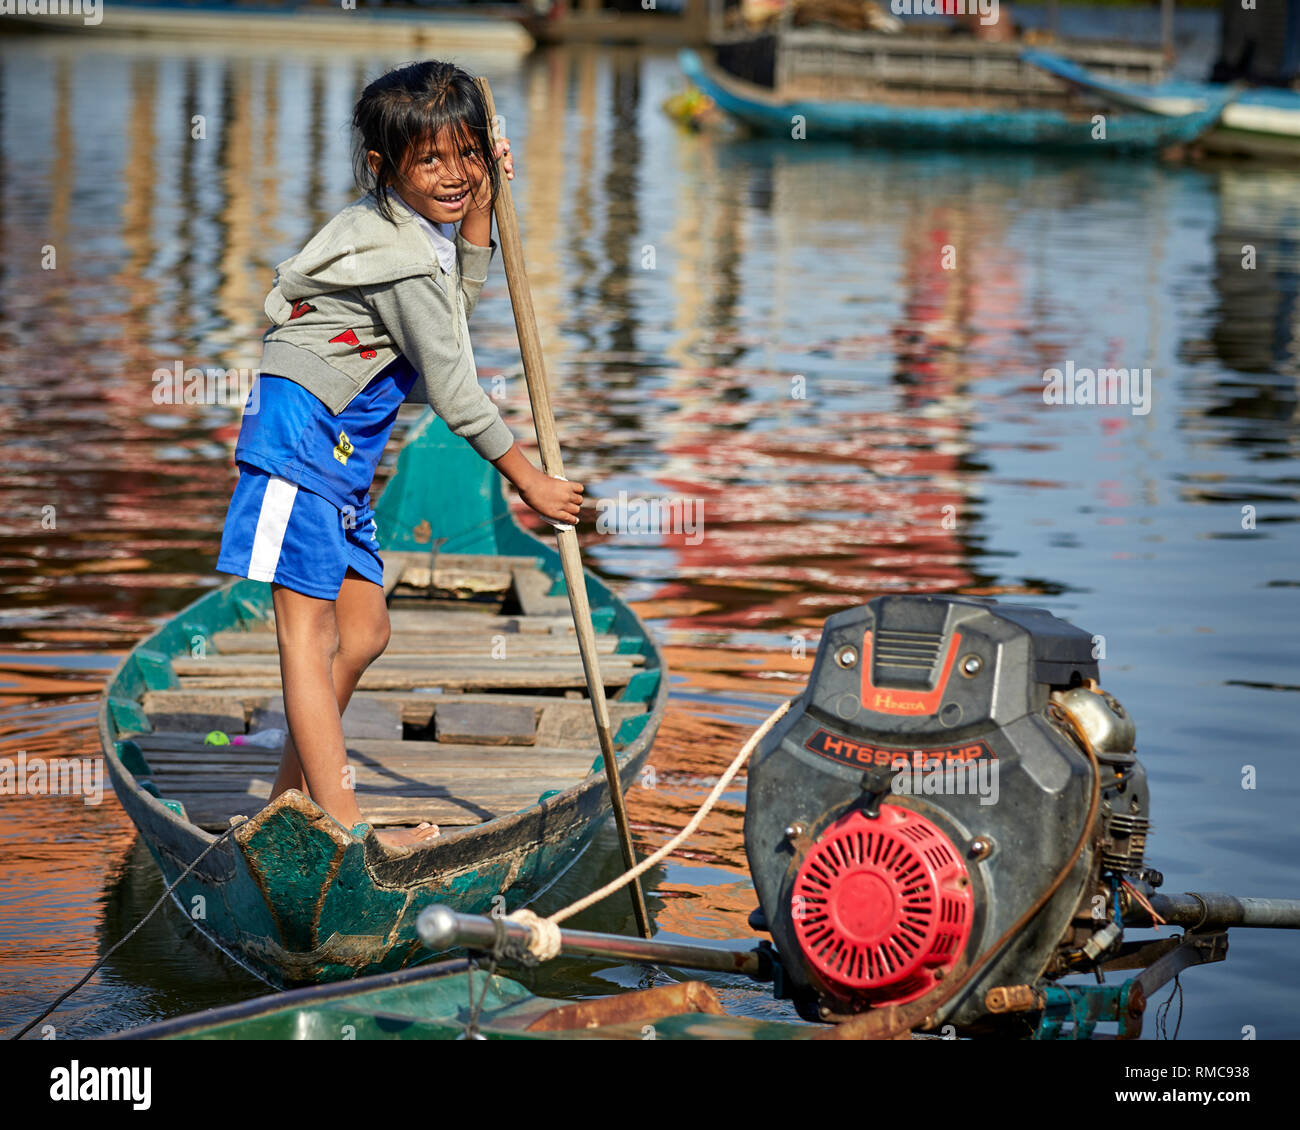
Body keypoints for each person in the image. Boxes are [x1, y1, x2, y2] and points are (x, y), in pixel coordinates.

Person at [216, 61, 582, 852]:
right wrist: (530, 484)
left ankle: (287, 799)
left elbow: (449, 318)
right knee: (306, 637)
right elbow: (454, 388)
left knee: (368, 630)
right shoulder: (402, 255)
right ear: (385, 169)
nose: (453, 177)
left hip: (340, 459)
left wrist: (484, 210)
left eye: (468, 155)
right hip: (298, 444)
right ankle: (348, 830)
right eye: (431, 162)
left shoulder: (417, 238)